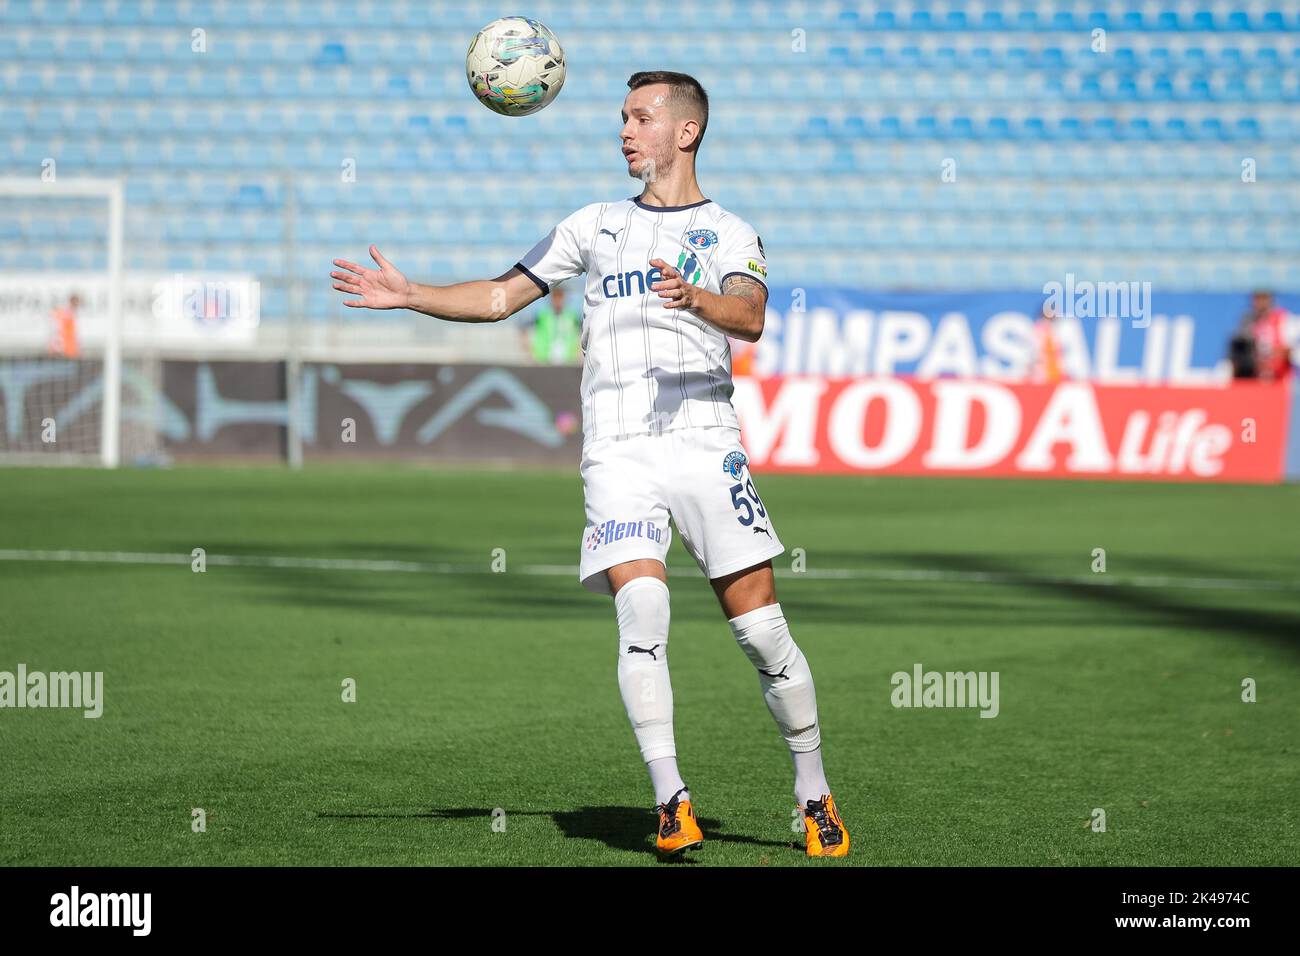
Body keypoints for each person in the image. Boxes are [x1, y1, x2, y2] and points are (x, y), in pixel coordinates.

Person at [330, 71, 848, 859]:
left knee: (763, 633)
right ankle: (671, 799)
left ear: (686, 132)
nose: (625, 131)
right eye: (622, 118)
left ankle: (813, 791)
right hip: (616, 452)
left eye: (641, 117)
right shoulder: (593, 225)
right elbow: (502, 297)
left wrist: (697, 298)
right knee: (642, 617)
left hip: (705, 442)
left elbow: (750, 316)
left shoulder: (733, 232)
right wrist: (413, 295)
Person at [1231, 290, 1292, 381]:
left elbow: (1290, 352)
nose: (1260, 303)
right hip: (1254, 380)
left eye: (1264, 298)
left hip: (1280, 380)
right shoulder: (1247, 322)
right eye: (1257, 298)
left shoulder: (1285, 321)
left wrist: (1276, 353)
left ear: (1271, 299)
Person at [521, 282, 581, 364]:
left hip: (568, 361)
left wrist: (579, 354)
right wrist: (530, 352)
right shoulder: (542, 315)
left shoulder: (572, 316)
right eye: (555, 297)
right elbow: (523, 329)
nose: (558, 301)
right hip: (544, 360)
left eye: (560, 297)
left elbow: (581, 334)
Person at [49, 293, 82, 359]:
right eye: (76, 302)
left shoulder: (71, 314)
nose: (77, 304)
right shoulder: (64, 314)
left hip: (70, 352)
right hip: (63, 352)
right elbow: (58, 332)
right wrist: (57, 348)